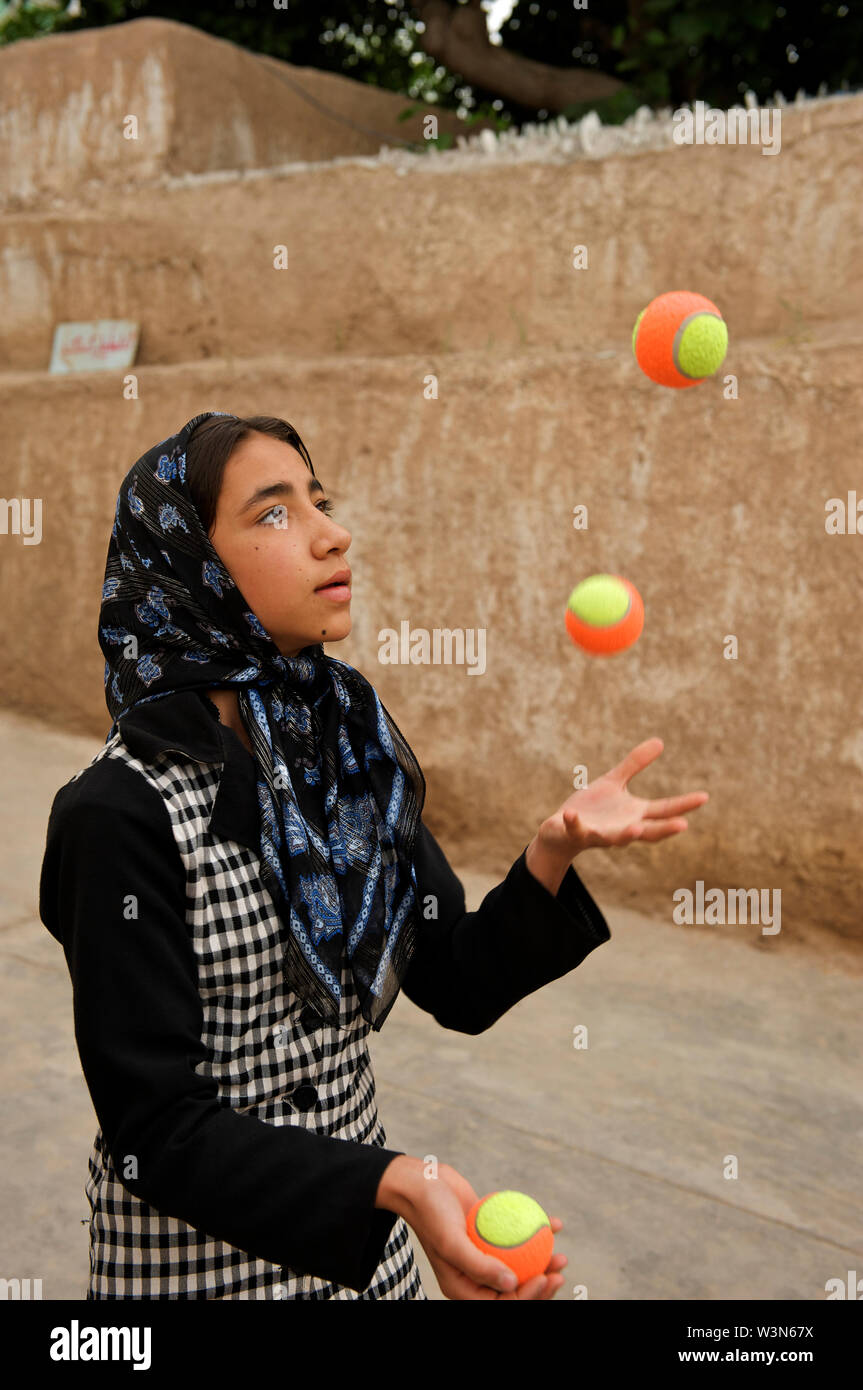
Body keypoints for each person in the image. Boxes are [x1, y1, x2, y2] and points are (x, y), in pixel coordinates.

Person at [39, 411, 709, 1301]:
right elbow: (155, 1131)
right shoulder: (119, 812)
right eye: (274, 514)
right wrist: (391, 1182)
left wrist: (551, 852)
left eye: (320, 501)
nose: (332, 533)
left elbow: (457, 982)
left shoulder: (342, 754)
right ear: (188, 567)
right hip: (191, 1278)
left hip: (367, 1272)